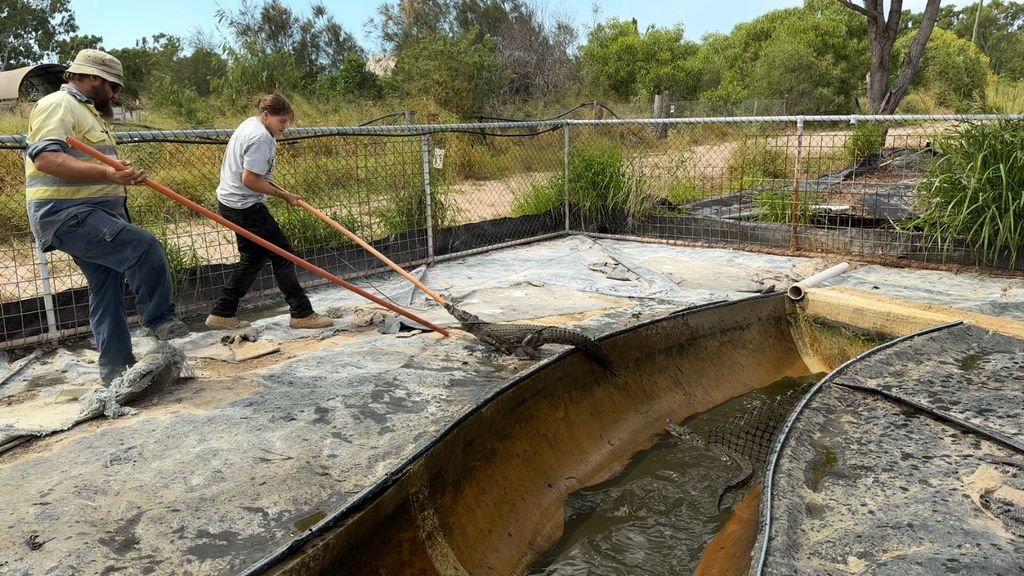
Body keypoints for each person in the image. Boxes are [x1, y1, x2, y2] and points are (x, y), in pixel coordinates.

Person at [24, 49, 189, 385]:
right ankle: (160, 320)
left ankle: (116, 373)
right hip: (68, 215)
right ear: (95, 79)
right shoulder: (59, 105)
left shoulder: (87, 112)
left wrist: (119, 172)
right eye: (114, 87)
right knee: (144, 247)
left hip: (90, 214)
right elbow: (47, 160)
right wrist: (110, 175)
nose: (116, 95)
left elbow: (91, 165)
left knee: (106, 286)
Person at [205, 94, 333, 331]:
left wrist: (282, 191)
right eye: (281, 121)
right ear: (266, 116)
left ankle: (222, 312)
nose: (285, 127)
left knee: (253, 258)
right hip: (244, 206)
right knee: (283, 254)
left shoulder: (251, 124)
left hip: (231, 202)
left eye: (287, 122)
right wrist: (283, 195)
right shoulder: (261, 138)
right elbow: (250, 179)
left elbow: (254, 176)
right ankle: (301, 313)